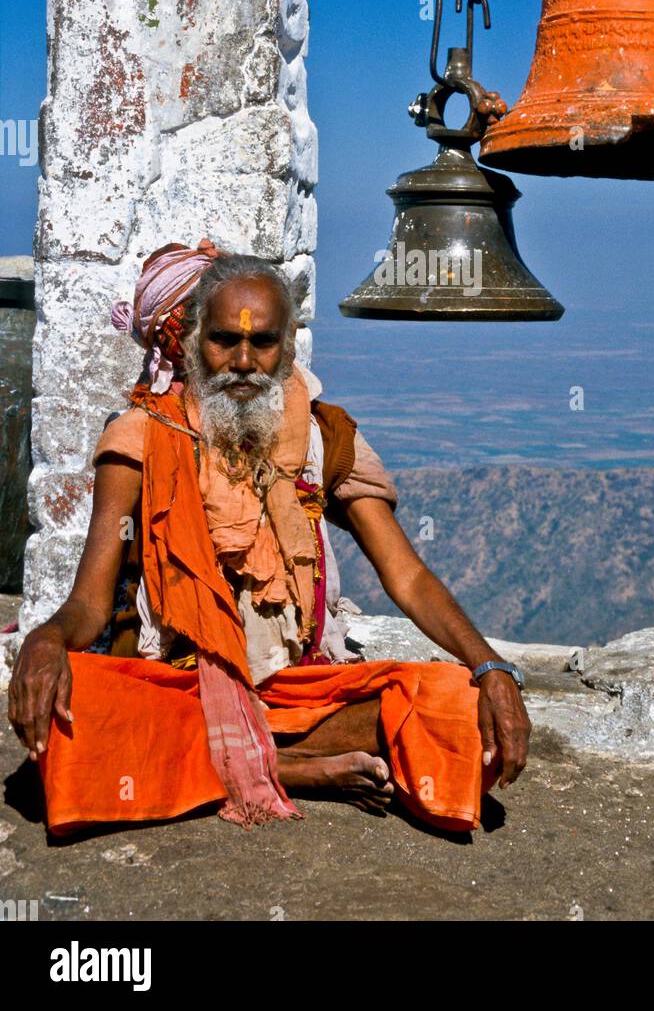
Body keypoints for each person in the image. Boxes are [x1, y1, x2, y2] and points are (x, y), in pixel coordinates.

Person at [8, 240, 531, 834]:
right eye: (224, 340)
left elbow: (406, 576)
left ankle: (248, 757)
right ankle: (284, 767)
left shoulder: (322, 438)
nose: (243, 361)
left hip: (298, 693)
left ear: (285, 352)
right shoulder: (139, 438)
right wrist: (47, 640)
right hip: (185, 693)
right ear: (192, 343)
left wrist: (493, 668)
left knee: (462, 711)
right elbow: (89, 602)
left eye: (262, 342)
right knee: (61, 728)